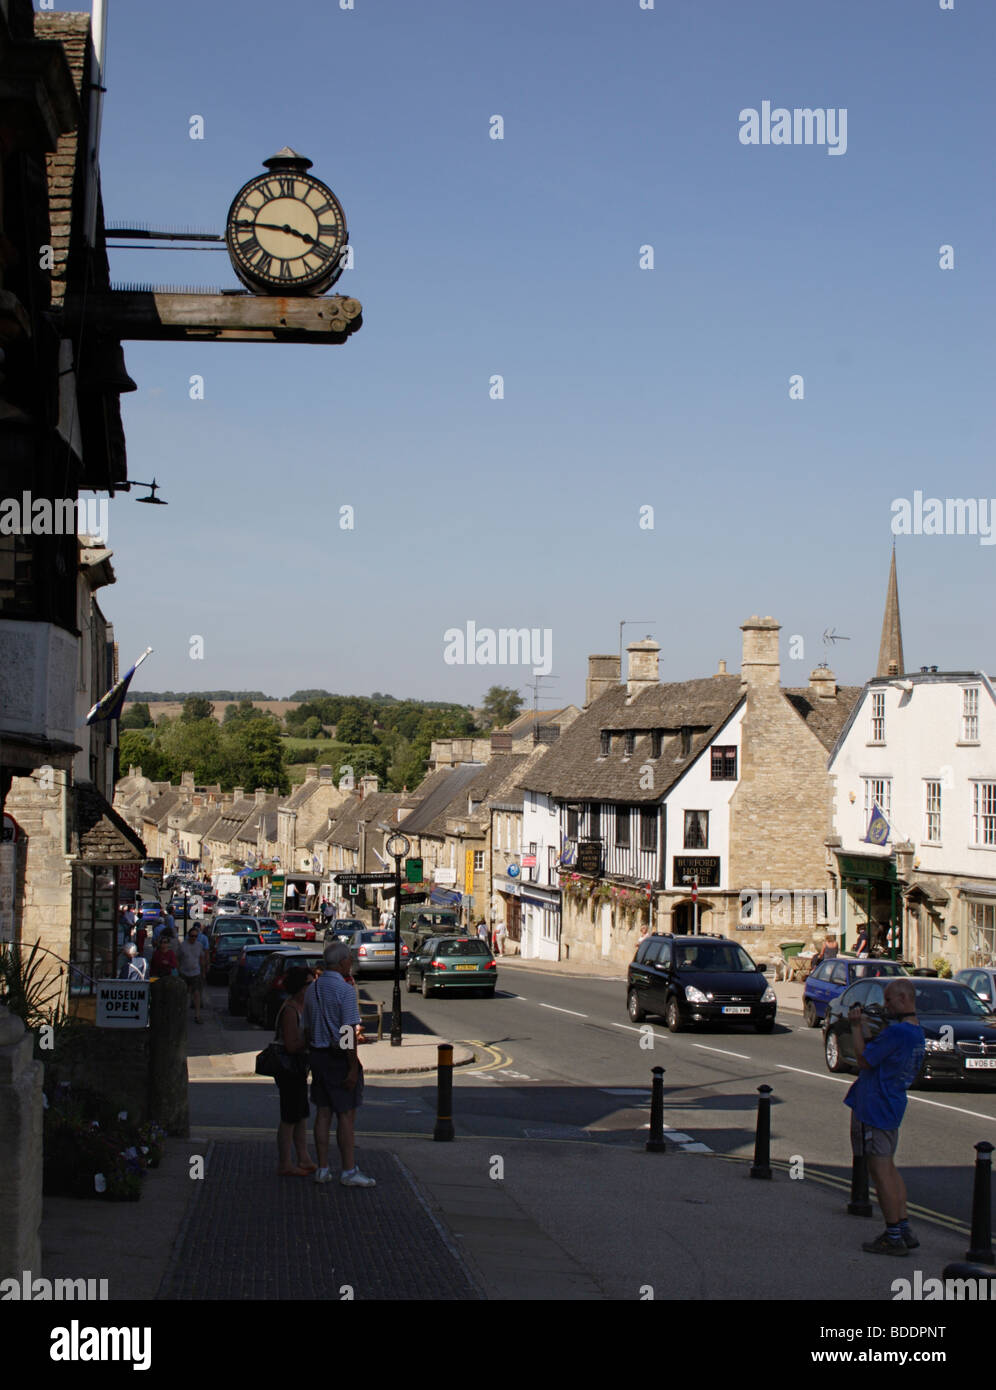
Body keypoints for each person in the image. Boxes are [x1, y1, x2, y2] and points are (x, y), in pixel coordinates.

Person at [845, 978, 925, 1255]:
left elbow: (864, 1059)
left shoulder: (898, 1033)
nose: (885, 1005)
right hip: (892, 1103)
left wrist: (855, 1026)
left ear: (903, 999)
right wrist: (866, 1028)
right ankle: (903, 1227)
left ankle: (892, 1235)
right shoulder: (915, 1032)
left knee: (879, 1172)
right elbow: (881, 1050)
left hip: (874, 1106)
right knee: (889, 1168)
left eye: (889, 1000)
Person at [302, 941, 375, 1188]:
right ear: (342, 962)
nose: (351, 964)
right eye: (349, 960)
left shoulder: (313, 989)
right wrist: (352, 1067)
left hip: (317, 1055)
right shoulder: (344, 991)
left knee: (323, 1113)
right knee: (345, 1115)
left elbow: (307, 1027)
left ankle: (322, 1169)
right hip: (337, 1058)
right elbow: (347, 1032)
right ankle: (348, 1170)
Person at [272, 965, 317, 1177]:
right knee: (290, 1116)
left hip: (298, 1067)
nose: (313, 986)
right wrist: (309, 1039)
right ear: (300, 987)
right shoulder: (290, 1010)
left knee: (301, 1114)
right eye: (310, 983)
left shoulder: (302, 1007)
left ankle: (304, 1157)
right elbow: (290, 1045)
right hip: (289, 1067)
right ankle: (285, 1162)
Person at [177, 926, 205, 1024]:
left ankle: (197, 1015)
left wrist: (203, 971)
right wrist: (178, 970)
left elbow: (202, 958)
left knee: (196, 994)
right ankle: (182, 1014)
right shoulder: (182, 946)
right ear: (188, 936)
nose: (193, 938)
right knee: (184, 994)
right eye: (192, 936)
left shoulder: (199, 945)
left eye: (195, 936)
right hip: (184, 972)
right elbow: (178, 958)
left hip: (196, 972)